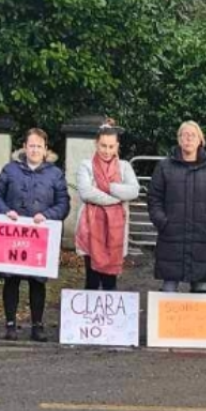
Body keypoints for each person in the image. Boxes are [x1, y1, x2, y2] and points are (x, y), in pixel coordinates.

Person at [0, 128, 70, 341]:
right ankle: (10, 325)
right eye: (31, 145)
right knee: (11, 281)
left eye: (39, 146)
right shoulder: (10, 169)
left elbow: (63, 204)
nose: (35, 150)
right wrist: (5, 211)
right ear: (24, 148)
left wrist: (48, 215)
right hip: (13, 236)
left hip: (40, 238)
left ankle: (37, 325)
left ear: (46, 150)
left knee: (37, 283)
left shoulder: (55, 174)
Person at [147, 121, 206, 293]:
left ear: (201, 140)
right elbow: (154, 198)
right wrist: (163, 222)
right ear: (179, 139)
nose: (188, 138)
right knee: (168, 292)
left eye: (193, 135)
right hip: (171, 240)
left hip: (202, 239)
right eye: (184, 134)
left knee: (200, 293)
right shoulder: (164, 167)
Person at [75, 119, 140, 291]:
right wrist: (117, 198)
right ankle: (90, 317)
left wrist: (108, 187)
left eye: (111, 146)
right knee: (92, 280)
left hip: (115, 232)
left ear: (117, 146)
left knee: (110, 282)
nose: (107, 150)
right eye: (103, 145)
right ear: (96, 144)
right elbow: (86, 193)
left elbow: (133, 191)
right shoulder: (86, 165)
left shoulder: (124, 167)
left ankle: (109, 318)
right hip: (90, 230)